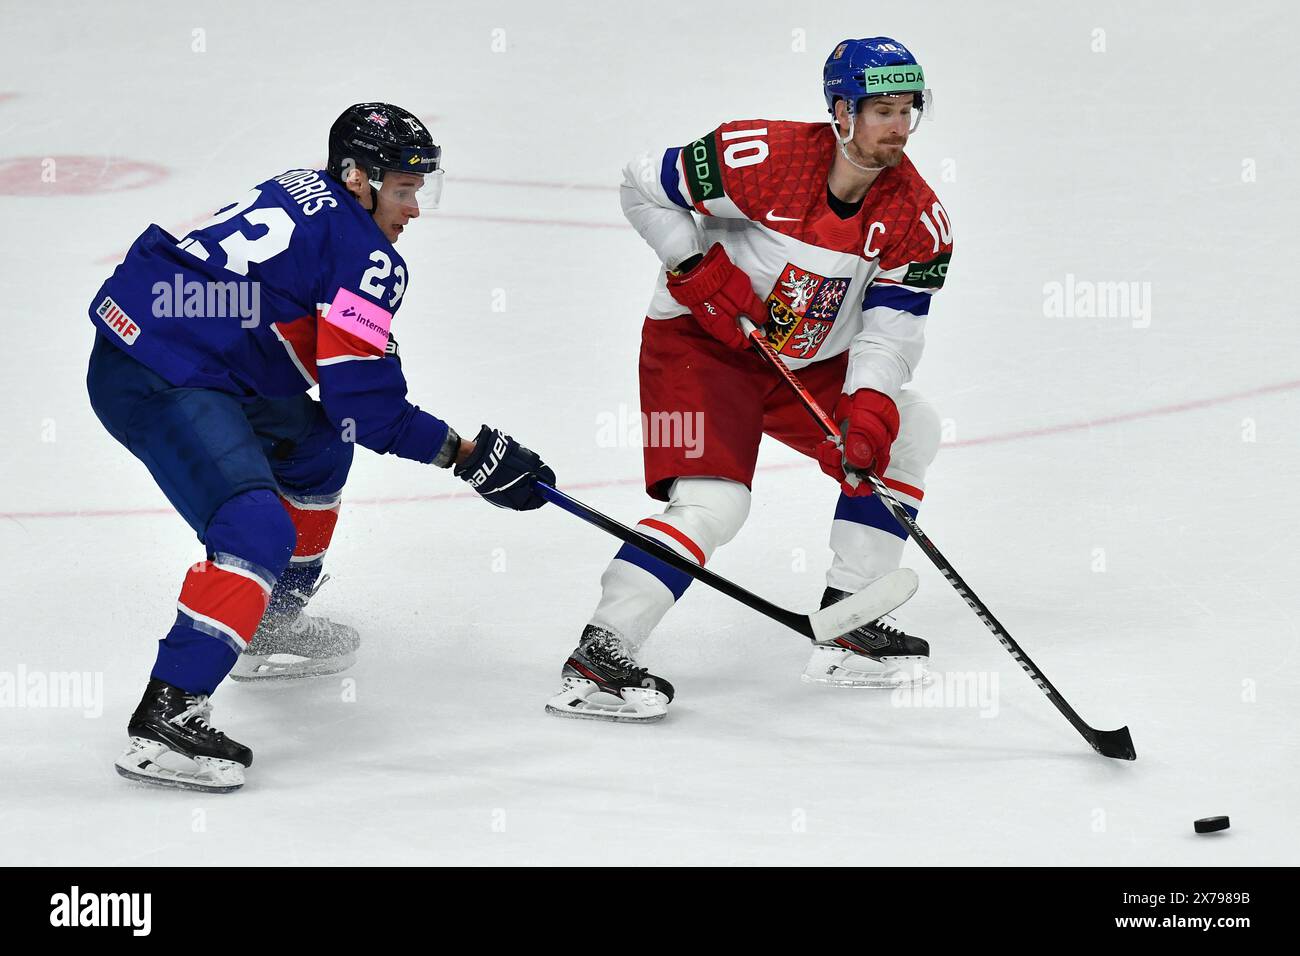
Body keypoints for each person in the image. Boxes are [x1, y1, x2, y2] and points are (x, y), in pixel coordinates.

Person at [87, 103, 555, 791]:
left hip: (180, 349)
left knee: (318, 448)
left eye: (421, 189)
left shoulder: (306, 188)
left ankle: (269, 624)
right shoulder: (367, 257)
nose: (415, 209)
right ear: (358, 179)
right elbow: (367, 408)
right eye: (403, 190)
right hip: (166, 374)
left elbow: (330, 392)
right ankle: (166, 717)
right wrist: (466, 453)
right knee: (254, 529)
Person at [546, 38, 952, 722]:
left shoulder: (918, 218)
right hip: (700, 349)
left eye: (909, 109)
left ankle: (851, 621)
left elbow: (891, 328)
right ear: (840, 112)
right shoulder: (760, 157)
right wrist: (691, 266)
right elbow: (640, 184)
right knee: (714, 505)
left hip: (808, 362)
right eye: (883, 109)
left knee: (909, 430)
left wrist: (869, 405)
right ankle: (599, 657)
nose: (900, 126)